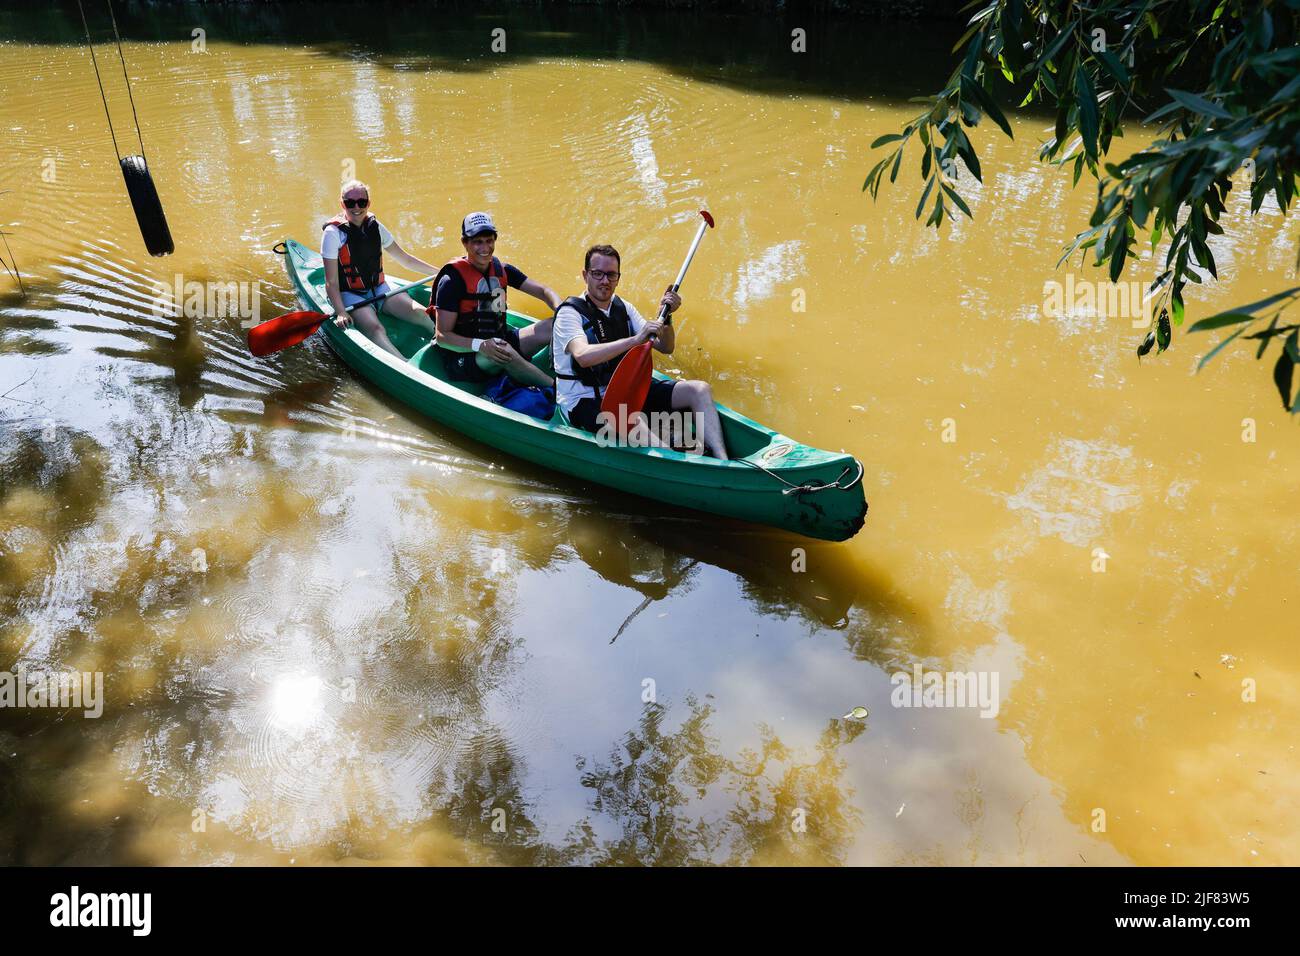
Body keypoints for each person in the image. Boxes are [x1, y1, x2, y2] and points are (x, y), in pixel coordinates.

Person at [553, 244, 728, 459]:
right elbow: (583, 356)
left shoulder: (623, 308)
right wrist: (635, 339)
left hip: (624, 389)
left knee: (699, 390)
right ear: (585, 275)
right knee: (633, 421)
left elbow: (665, 347)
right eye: (597, 274)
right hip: (583, 400)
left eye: (611, 275)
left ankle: (723, 461)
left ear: (618, 277)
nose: (605, 281)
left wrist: (667, 318)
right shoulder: (569, 313)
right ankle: (674, 459)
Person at [430, 212, 560, 390]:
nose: (485, 247)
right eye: (477, 241)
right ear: (465, 243)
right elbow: (442, 337)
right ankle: (558, 392)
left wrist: (562, 310)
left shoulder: (503, 270)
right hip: (465, 357)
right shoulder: (452, 281)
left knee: (556, 325)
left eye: (489, 240)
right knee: (503, 349)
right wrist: (480, 345)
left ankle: (566, 371)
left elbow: (545, 291)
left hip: (499, 340)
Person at [322, 180, 440, 360]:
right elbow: (331, 282)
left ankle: (447, 344)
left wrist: (439, 272)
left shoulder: (376, 227)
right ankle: (405, 366)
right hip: (351, 294)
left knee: (420, 312)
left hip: (380, 289)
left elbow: (405, 259)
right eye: (350, 203)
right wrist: (340, 311)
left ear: (368, 203)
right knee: (376, 328)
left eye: (361, 202)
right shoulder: (332, 233)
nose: (356, 207)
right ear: (342, 204)